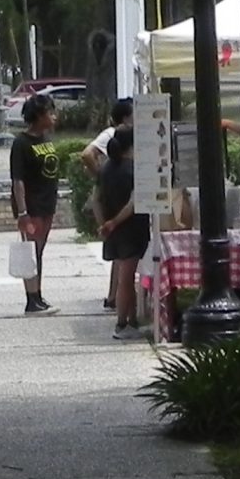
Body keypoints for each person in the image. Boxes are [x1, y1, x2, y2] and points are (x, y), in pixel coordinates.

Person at [94, 125, 152, 338]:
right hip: (131, 229)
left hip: (113, 233)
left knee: (125, 274)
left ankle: (133, 320)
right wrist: (115, 222)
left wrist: (104, 224)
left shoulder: (105, 169)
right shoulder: (135, 170)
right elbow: (134, 202)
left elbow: (96, 201)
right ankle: (121, 324)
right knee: (127, 279)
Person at [81, 96, 136, 304]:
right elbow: (87, 154)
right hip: (117, 197)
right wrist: (102, 178)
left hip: (114, 195)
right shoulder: (112, 135)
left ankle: (114, 295)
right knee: (122, 249)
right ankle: (116, 297)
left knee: (119, 252)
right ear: (125, 118)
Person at [10, 97, 62, 313]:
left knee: (40, 250)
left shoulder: (45, 139)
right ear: (39, 116)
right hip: (32, 205)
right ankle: (31, 299)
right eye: (50, 113)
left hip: (47, 202)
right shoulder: (21, 143)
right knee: (31, 250)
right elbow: (17, 180)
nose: (54, 117)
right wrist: (23, 212)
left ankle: (38, 295)